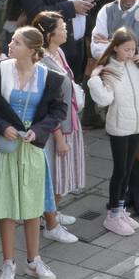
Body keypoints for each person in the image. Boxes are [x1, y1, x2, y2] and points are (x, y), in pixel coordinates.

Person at [0, 27, 68, 279]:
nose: (10, 45)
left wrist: (39, 130)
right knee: (5, 206)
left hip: (31, 147)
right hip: (6, 146)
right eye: (11, 41)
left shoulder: (49, 77)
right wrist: (1, 124)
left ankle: (33, 260)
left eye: (16, 42)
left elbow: (59, 109)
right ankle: (8, 263)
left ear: (32, 50)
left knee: (32, 205)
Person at [87, 28, 139, 235]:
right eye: (126, 49)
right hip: (120, 128)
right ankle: (113, 215)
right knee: (121, 170)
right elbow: (104, 99)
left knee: (128, 169)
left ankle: (121, 209)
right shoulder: (110, 69)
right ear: (115, 48)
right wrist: (94, 79)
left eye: (133, 49)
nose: (130, 53)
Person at [32, 13, 83, 238]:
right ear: (49, 34)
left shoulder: (58, 52)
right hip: (56, 128)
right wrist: (59, 137)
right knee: (54, 176)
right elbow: (48, 102)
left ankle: (52, 212)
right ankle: (51, 225)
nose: (66, 31)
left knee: (62, 175)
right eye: (62, 28)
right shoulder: (43, 61)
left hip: (68, 119)